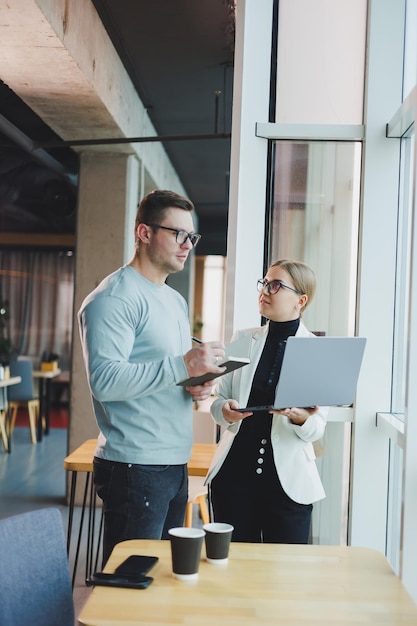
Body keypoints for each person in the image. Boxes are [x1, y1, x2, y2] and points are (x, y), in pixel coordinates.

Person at [78, 189, 225, 565]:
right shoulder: (113, 299)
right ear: (144, 233)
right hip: (134, 464)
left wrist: (196, 384)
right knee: (129, 583)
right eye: (177, 234)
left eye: (191, 237)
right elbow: (106, 381)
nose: (187, 245)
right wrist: (183, 366)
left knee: (160, 581)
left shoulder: (173, 300)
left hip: (174, 460)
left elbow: (164, 372)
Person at [206, 259, 327, 544]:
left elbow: (317, 428)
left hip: (289, 485)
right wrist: (224, 410)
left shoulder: (316, 351)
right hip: (234, 477)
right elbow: (217, 399)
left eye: (276, 285)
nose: (265, 290)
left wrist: (300, 418)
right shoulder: (242, 339)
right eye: (264, 283)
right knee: (233, 571)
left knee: (285, 578)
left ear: (301, 300)